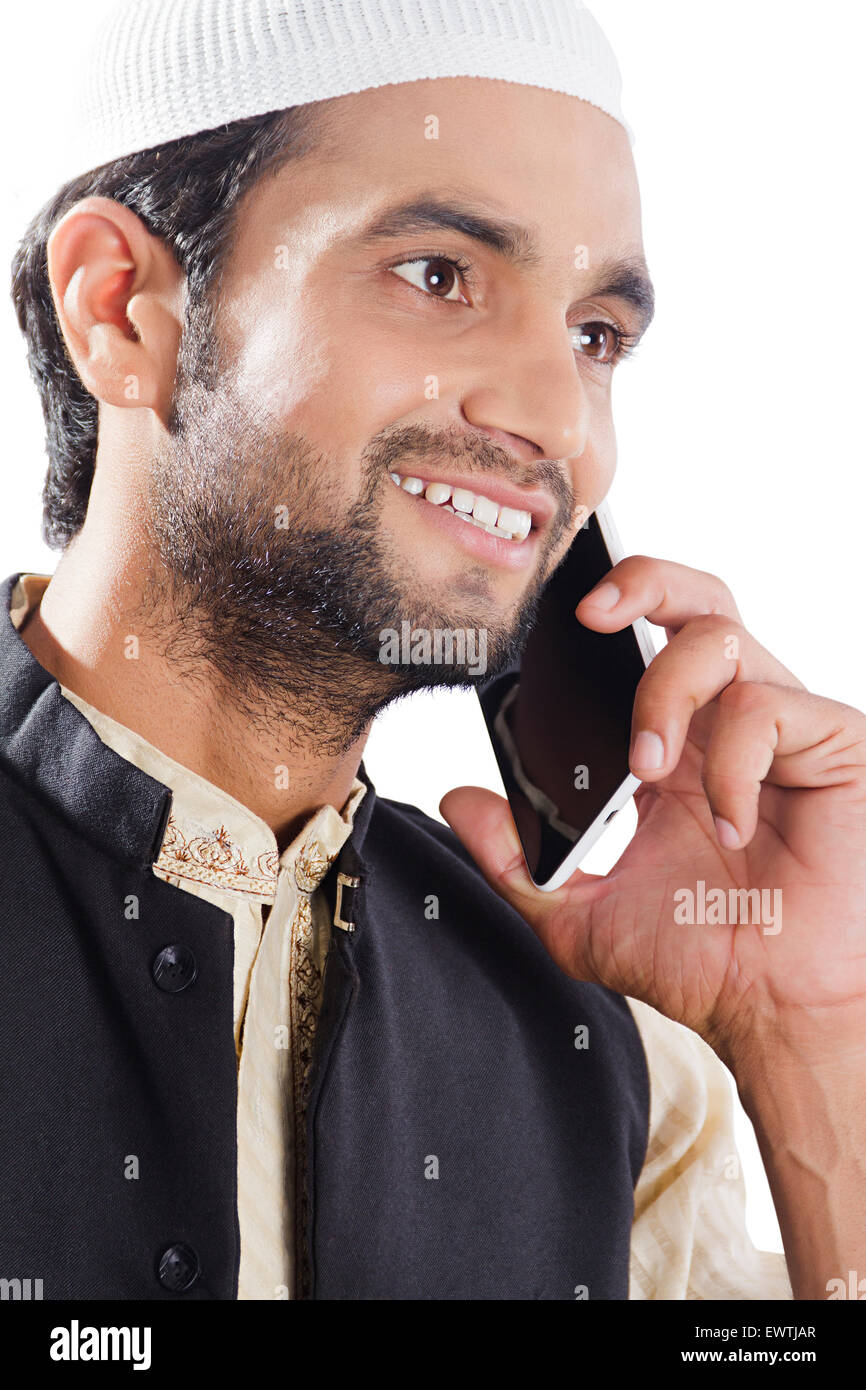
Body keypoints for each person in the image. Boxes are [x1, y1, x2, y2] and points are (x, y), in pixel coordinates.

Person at [2, 0, 863, 1301]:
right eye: (438, 275)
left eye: (594, 336)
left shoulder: (614, 1043)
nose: (556, 418)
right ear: (123, 309)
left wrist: (809, 1030)